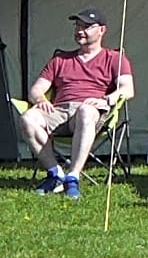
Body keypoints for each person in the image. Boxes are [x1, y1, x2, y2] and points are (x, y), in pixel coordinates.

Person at [20, 10, 134, 199]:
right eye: (78, 26)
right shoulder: (60, 60)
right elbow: (35, 90)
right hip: (60, 110)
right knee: (28, 118)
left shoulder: (114, 58)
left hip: (92, 111)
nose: (80, 31)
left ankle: (73, 177)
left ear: (102, 30)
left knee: (85, 111)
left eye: (87, 27)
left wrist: (106, 99)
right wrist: (40, 100)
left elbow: (127, 89)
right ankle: (55, 174)